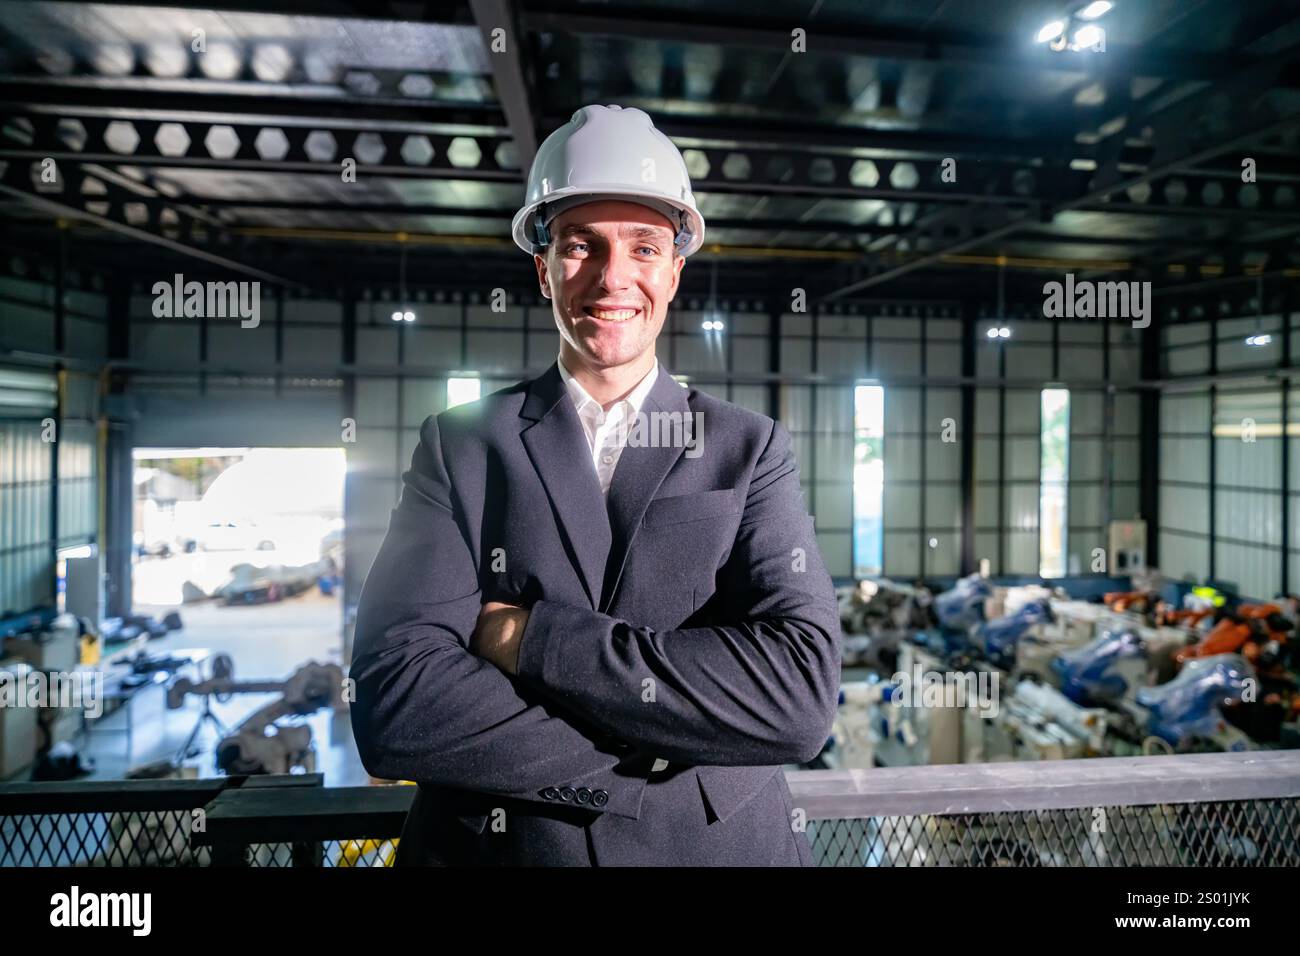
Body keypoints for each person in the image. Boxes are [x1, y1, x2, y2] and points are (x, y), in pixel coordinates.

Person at [350, 104, 841, 865]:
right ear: (543, 267)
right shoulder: (463, 444)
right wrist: (655, 756)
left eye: (644, 247)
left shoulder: (748, 449)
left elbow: (800, 698)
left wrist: (526, 637)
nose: (613, 278)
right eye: (583, 246)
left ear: (674, 271)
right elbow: (398, 704)